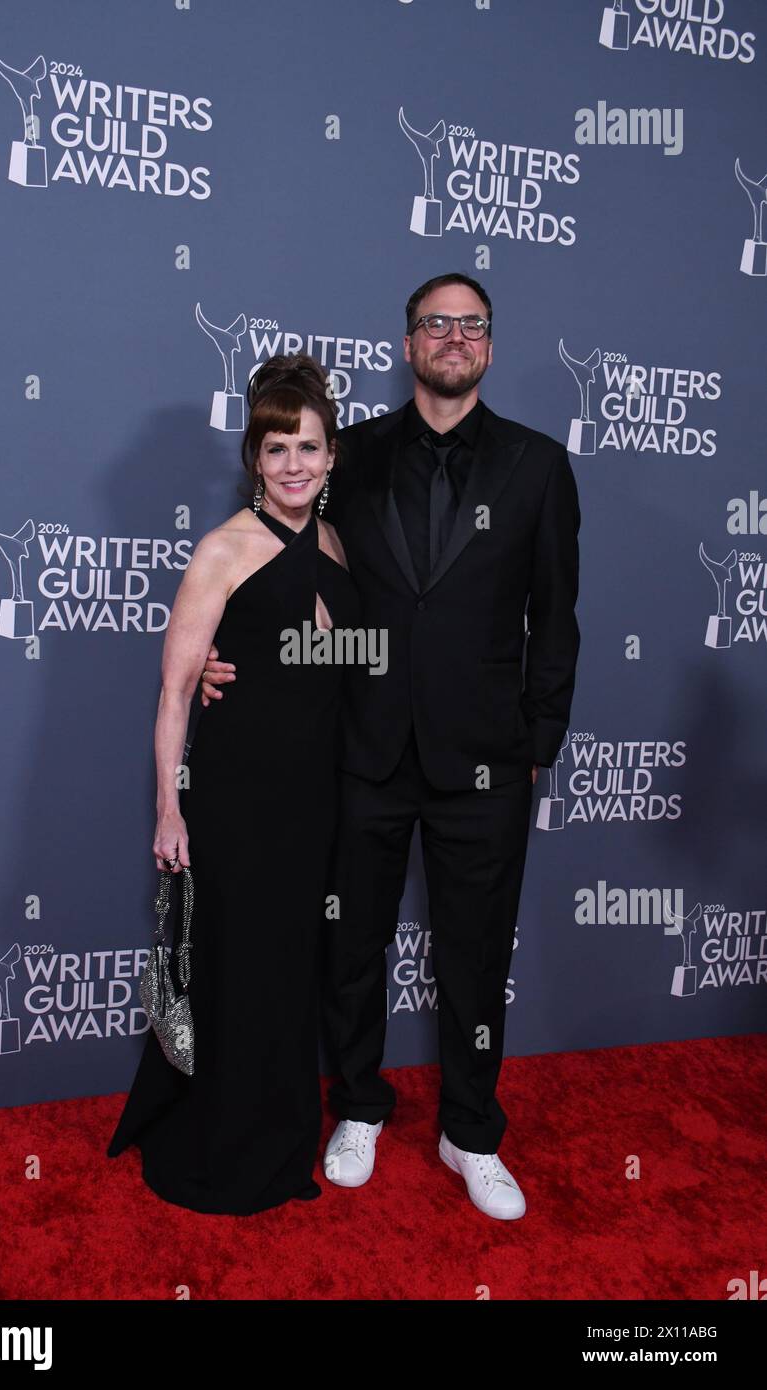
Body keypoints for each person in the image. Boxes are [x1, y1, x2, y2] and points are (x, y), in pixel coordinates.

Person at [202, 273, 580, 1220]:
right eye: (435, 323)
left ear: (489, 345)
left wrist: (540, 735)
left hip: (486, 759)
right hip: (359, 748)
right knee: (351, 943)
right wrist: (223, 650)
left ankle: (471, 1130)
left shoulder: (539, 467)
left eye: (471, 324)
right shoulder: (350, 455)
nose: (454, 337)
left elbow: (557, 616)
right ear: (408, 342)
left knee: (477, 953)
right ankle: (361, 1105)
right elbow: (282, 557)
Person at [107, 354, 360, 1215]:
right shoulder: (223, 548)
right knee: (238, 967)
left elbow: (333, 660)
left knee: (290, 970)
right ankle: (224, 1144)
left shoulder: (331, 543)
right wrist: (169, 808)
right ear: (256, 457)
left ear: (331, 459)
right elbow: (177, 690)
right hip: (237, 795)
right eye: (278, 447)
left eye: (311, 447)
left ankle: (285, 1141)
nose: (295, 463)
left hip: (312, 799)